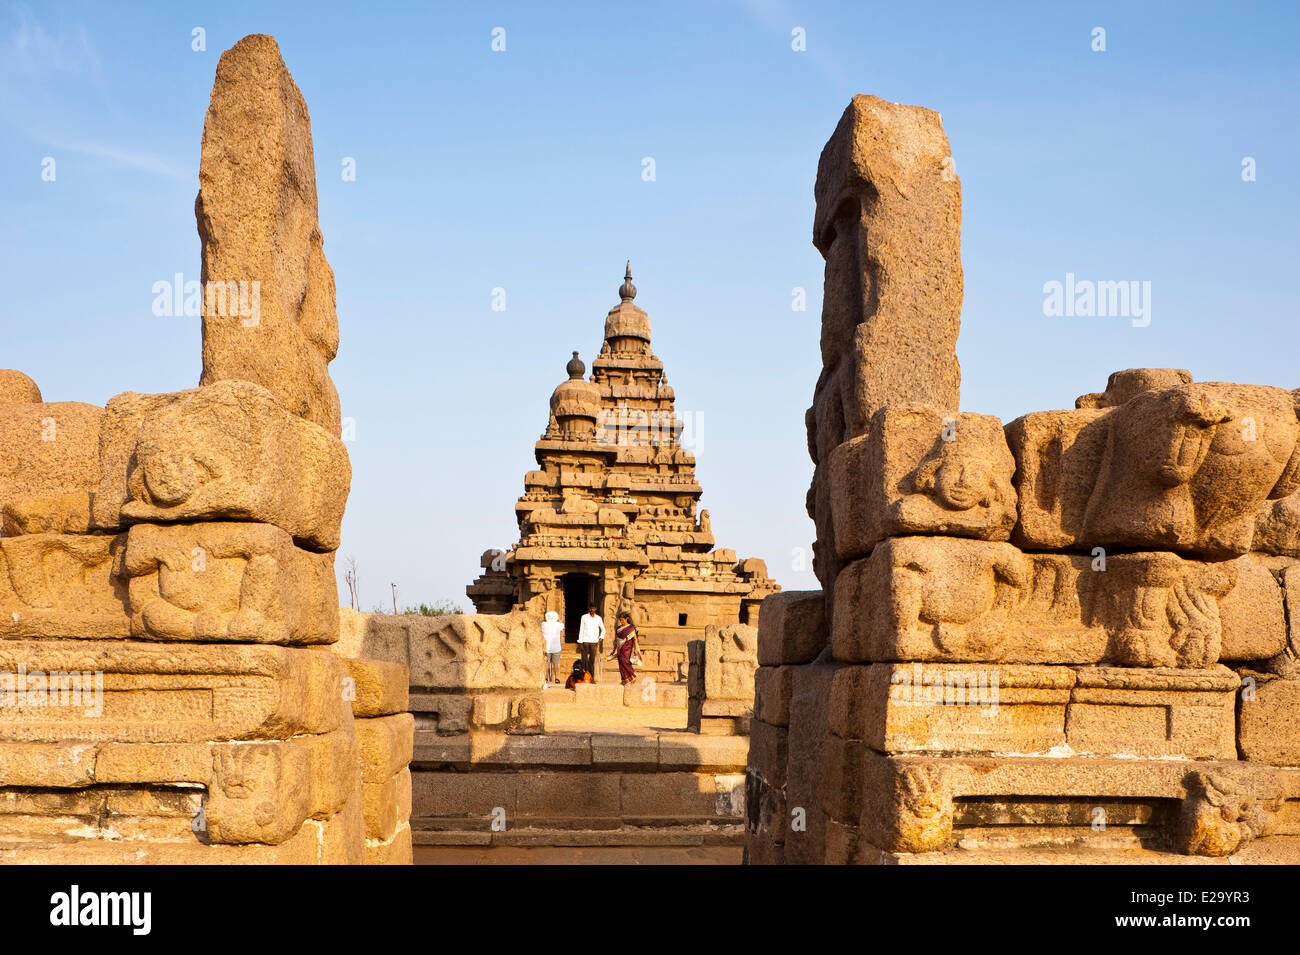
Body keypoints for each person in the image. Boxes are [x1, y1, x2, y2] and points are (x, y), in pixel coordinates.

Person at [576, 604, 606, 682]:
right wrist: (580, 642)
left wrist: (600, 639)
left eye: (593, 608)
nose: (592, 610)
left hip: (594, 642)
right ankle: (584, 676)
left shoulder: (598, 618)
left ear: (595, 609)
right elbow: (581, 629)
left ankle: (591, 677)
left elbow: (603, 630)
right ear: (589, 609)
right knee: (584, 660)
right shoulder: (584, 617)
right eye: (591, 608)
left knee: (592, 661)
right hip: (585, 641)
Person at [612, 611, 639, 685]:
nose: (621, 621)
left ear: (626, 619)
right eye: (620, 620)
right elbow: (616, 640)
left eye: (622, 620)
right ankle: (625, 679)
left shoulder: (631, 628)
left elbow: (635, 639)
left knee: (625, 661)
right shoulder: (618, 628)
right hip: (620, 647)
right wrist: (613, 650)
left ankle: (632, 674)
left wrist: (635, 649)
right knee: (620, 662)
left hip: (627, 647)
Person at [541, 610, 564, 688]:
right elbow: (562, 623)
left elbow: (541, 623)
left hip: (546, 647)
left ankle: (545, 678)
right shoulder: (558, 625)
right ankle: (557, 678)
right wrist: (558, 620)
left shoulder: (544, 624)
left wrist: (545, 620)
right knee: (556, 663)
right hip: (556, 646)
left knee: (546, 663)